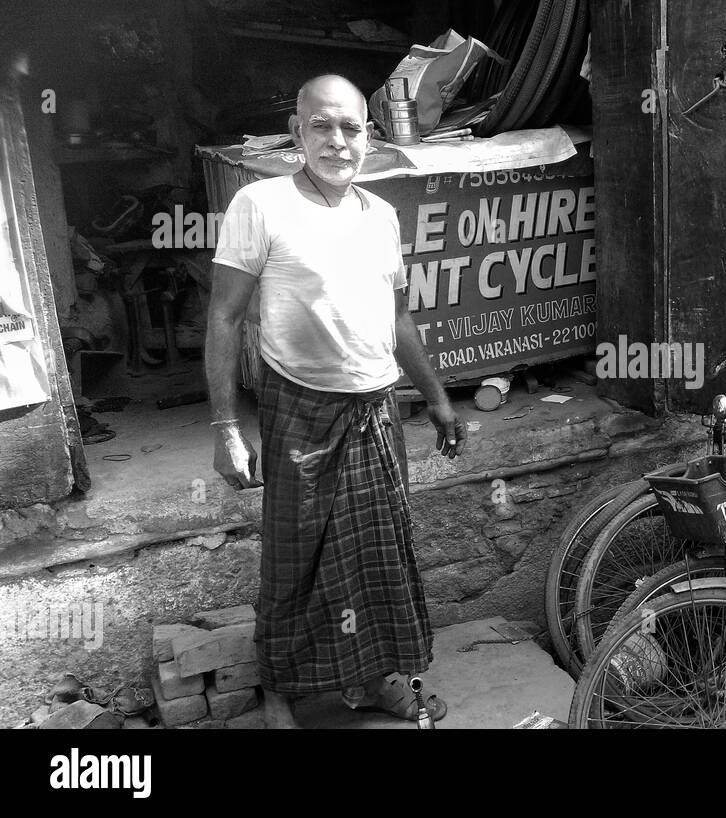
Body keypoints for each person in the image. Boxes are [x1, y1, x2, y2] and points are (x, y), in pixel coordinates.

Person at [205, 74, 467, 729]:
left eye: (351, 127)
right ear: (297, 133)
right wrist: (226, 428)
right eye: (322, 125)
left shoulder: (380, 216)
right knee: (298, 564)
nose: (338, 140)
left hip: (376, 413)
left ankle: (379, 680)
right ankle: (300, 687)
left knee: (379, 559)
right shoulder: (260, 205)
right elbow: (223, 318)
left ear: (369, 136)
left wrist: (437, 401)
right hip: (299, 412)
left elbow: (399, 320)